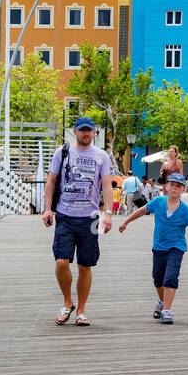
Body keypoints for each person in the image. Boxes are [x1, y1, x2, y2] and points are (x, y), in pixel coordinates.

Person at [118, 173, 188, 325]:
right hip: (158, 247)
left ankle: (166, 310)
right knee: (158, 279)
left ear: (183, 189)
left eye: (178, 186)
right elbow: (142, 210)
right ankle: (161, 301)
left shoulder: (186, 211)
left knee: (170, 277)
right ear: (166, 187)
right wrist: (126, 222)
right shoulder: (158, 202)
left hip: (176, 248)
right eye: (172, 185)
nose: (174, 188)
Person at [43, 116, 113, 326]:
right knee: (61, 262)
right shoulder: (62, 152)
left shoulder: (101, 156)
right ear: (75, 131)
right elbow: (51, 180)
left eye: (89, 131)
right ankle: (67, 301)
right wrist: (47, 209)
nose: (86, 134)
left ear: (94, 133)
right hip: (65, 215)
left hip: (90, 217)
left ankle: (81, 310)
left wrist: (108, 213)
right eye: (82, 130)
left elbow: (107, 186)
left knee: (85, 265)